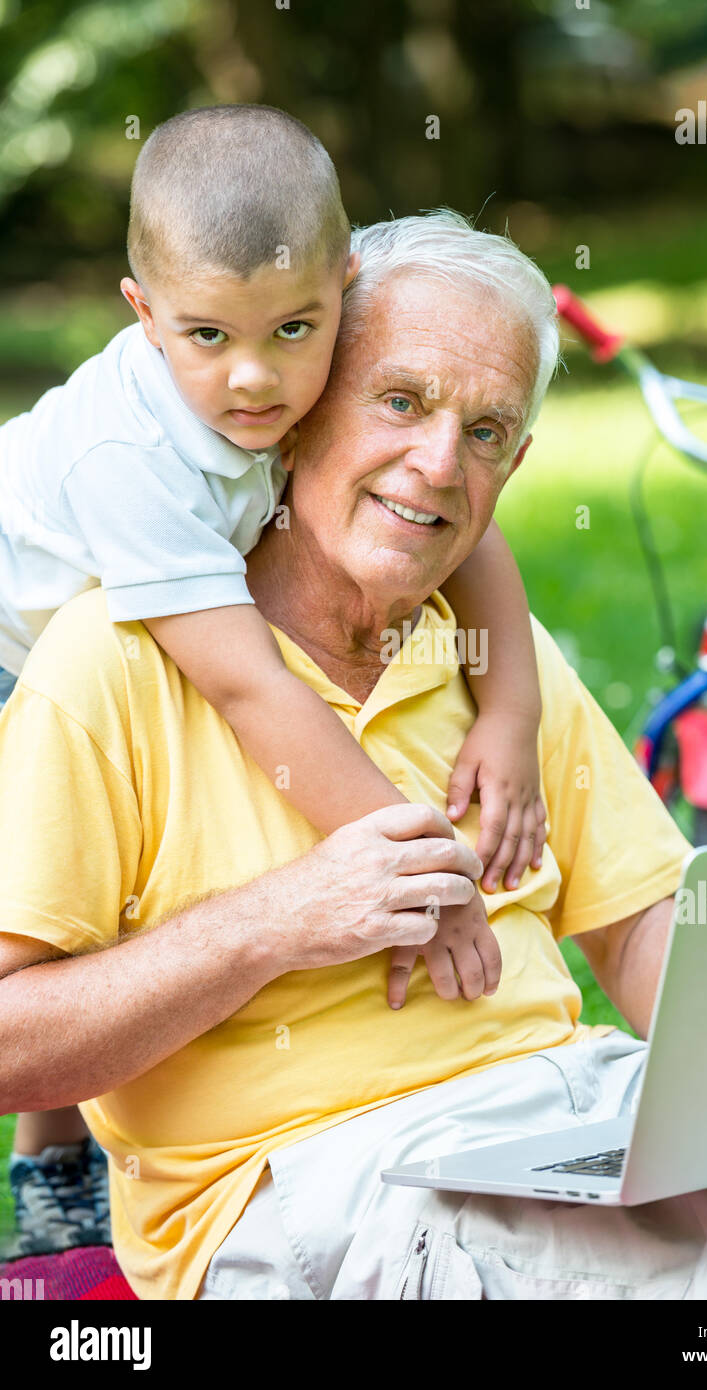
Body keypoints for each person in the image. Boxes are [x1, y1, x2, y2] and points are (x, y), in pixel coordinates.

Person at [1, 211, 707, 1300]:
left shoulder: (491, 651)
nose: (439, 464)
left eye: (488, 432)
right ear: (303, 410)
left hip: (577, 1117)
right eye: (399, 402)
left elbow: (643, 919)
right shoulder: (112, 658)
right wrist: (278, 921)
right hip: (325, 1185)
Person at [0, 107, 547, 1253]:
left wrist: (511, 707)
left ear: (344, 289)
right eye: (207, 337)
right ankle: (55, 1174)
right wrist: (429, 874)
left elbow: (466, 524)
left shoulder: (297, 371)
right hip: (8, 643)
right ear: (142, 315)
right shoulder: (131, 463)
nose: (253, 380)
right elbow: (253, 688)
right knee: (53, 902)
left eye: (294, 329)